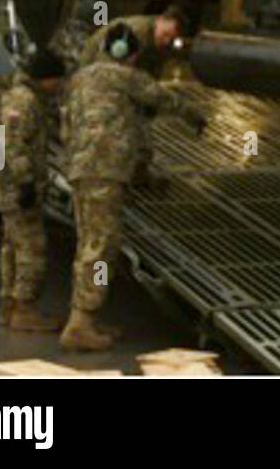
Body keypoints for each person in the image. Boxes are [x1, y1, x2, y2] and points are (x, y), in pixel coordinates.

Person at [59, 23, 205, 351]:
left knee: (89, 243)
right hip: (105, 172)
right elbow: (163, 98)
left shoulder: (80, 79)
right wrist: (195, 115)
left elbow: (67, 122)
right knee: (100, 247)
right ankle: (81, 321)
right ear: (133, 55)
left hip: (80, 169)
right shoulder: (128, 78)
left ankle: (87, 317)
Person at [0, 48, 67, 332]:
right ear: (45, 78)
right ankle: (25, 308)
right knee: (32, 248)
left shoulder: (19, 96)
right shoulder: (25, 101)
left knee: (12, 246)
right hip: (16, 186)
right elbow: (14, 144)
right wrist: (25, 182)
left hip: (7, 184)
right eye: (57, 80)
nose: (59, 86)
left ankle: (9, 306)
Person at [75, 4, 187, 78]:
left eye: (171, 39)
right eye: (165, 34)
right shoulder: (134, 31)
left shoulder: (159, 41)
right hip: (93, 68)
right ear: (160, 20)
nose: (166, 41)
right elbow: (109, 68)